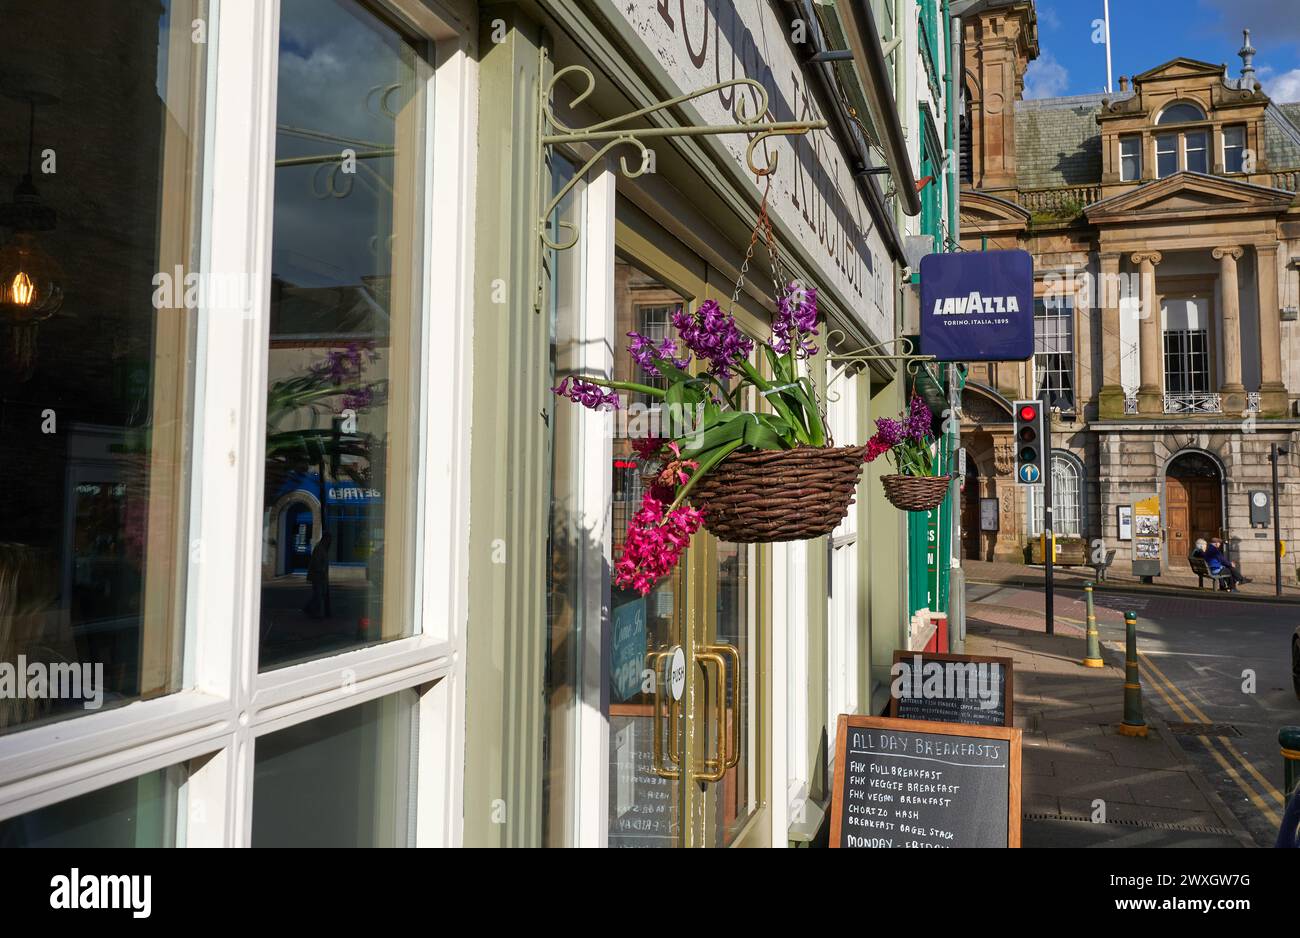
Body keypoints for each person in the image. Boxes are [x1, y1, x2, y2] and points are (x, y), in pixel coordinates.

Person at [303, 531, 332, 618]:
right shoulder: (319, 548)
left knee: (318, 595)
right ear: (325, 539)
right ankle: (315, 613)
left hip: (322, 577)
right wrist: (322, 571)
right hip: (318, 577)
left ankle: (309, 609)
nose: (330, 542)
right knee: (318, 595)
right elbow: (316, 563)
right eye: (329, 540)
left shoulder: (323, 548)